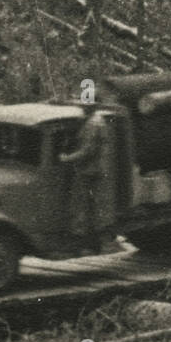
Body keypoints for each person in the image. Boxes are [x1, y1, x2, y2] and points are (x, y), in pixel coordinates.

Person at [59, 105, 108, 251]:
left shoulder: (93, 124)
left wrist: (67, 158)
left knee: (82, 205)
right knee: (90, 206)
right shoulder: (96, 120)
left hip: (89, 170)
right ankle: (93, 242)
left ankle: (85, 243)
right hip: (93, 168)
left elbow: (88, 150)